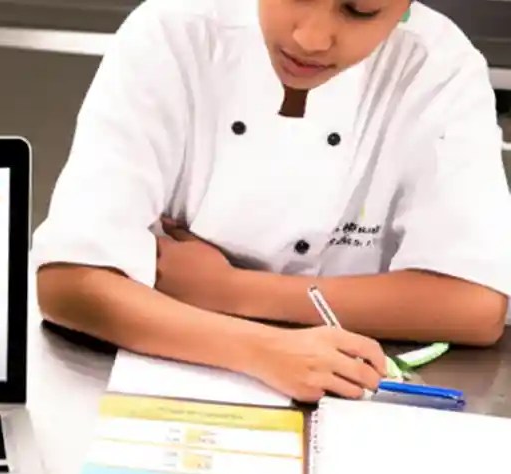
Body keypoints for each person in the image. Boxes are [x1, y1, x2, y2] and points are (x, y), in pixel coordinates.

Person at [34, 0, 511, 402]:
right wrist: (263, 351)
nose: (312, 37)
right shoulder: (175, 32)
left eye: (360, 11)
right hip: (161, 383)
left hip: (362, 397)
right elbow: (71, 282)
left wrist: (229, 291)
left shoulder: (438, 67)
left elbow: (476, 304)